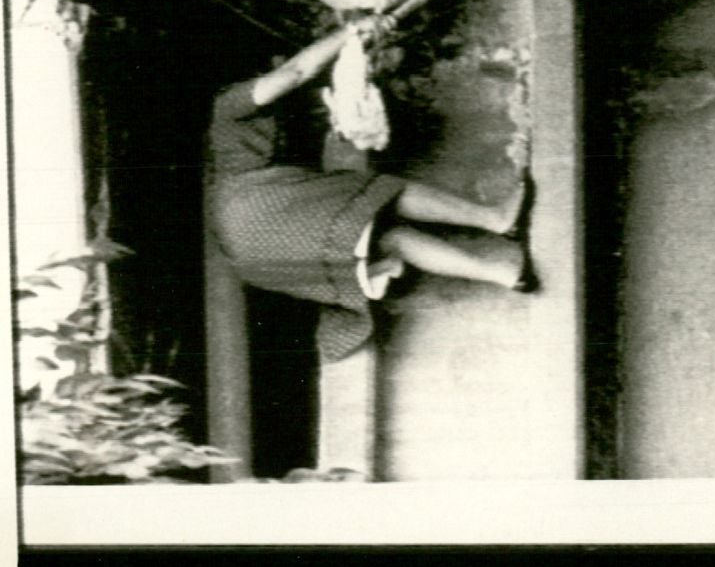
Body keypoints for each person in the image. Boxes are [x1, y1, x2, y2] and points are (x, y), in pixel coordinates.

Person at [208, 69, 529, 362]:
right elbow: (294, 73)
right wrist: (349, 33)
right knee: (385, 192)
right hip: (259, 209)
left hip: (254, 258)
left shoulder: (219, 161)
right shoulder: (228, 105)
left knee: (391, 240)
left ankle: (504, 273)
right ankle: (496, 218)